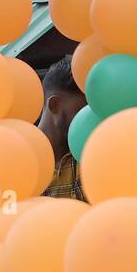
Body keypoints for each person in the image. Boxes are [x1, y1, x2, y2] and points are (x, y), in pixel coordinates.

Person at [37, 56, 87, 201]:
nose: (89, 117)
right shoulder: (23, 164)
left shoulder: (89, 154)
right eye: (82, 109)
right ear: (55, 105)